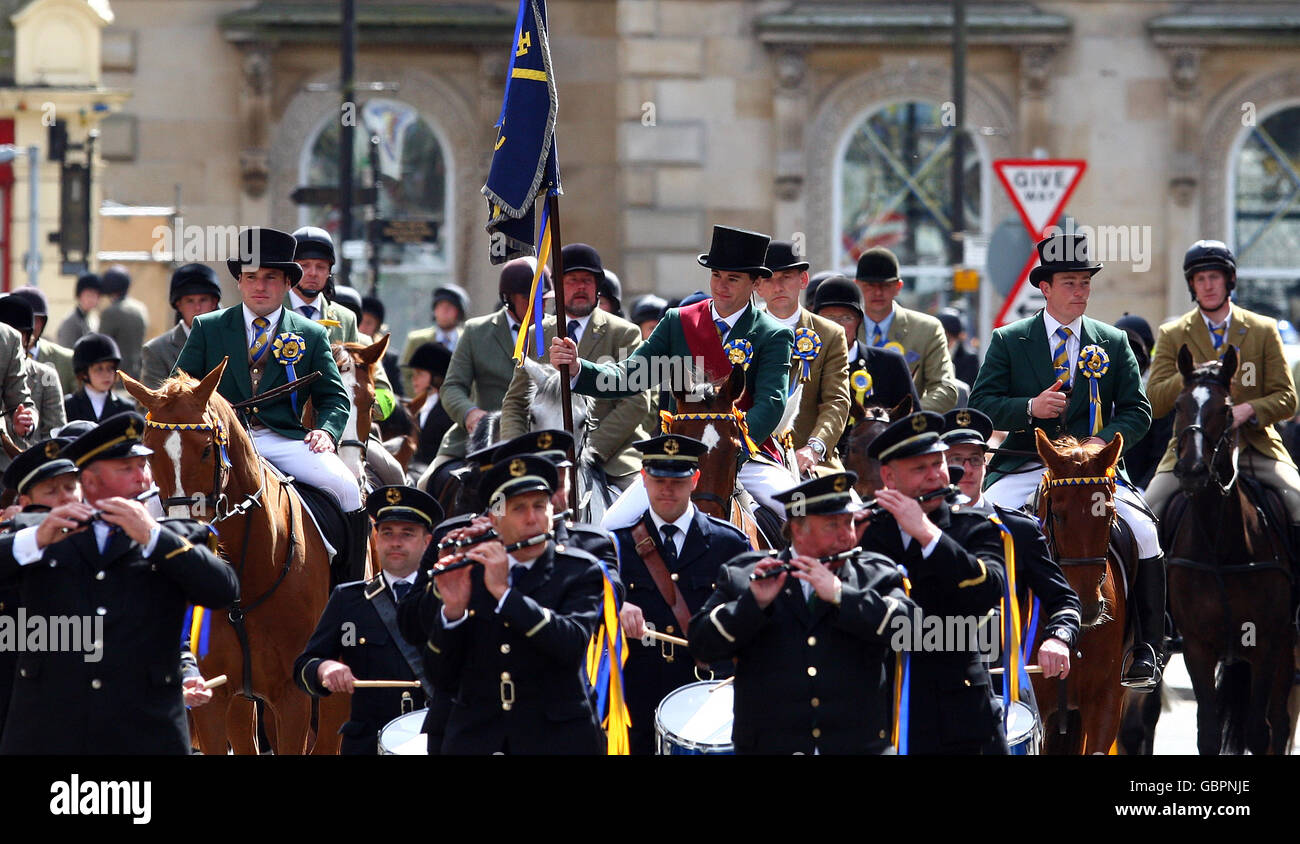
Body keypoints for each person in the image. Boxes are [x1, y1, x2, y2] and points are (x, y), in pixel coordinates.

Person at [968, 232, 1162, 689]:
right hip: (1026, 464)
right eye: (1070, 283)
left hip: (1094, 472)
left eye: (1085, 282)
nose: (1079, 291)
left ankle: (1148, 647)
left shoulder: (1112, 342)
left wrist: (1101, 443)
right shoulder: (1010, 339)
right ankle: (982, 635)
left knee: (1146, 531)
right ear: (1046, 288)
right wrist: (1030, 409)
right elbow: (982, 404)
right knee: (985, 522)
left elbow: (1138, 410)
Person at [0, 412, 239, 753]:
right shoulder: (39, 533)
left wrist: (154, 538)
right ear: (91, 480)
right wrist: (36, 539)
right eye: (127, 468)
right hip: (53, 735)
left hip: (146, 735)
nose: (143, 478)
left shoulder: (175, 537)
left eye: (143, 466)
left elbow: (223, 590)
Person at [551, 225, 795, 525]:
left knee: (804, 511)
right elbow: (631, 375)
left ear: (756, 283)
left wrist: (730, 453)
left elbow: (771, 403)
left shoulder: (774, 334)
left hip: (742, 454)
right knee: (610, 526)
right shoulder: (678, 322)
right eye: (716, 275)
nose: (722, 286)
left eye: (733, 279)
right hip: (676, 454)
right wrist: (578, 369)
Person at [173, 226, 367, 581]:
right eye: (251, 277)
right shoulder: (208, 327)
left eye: (270, 277)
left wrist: (326, 431)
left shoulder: (312, 333)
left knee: (346, 488)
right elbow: (179, 391)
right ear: (239, 282)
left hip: (285, 439)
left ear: (287, 283)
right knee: (156, 501)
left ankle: (349, 591)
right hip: (221, 443)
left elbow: (335, 398)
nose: (259, 286)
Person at [690, 470, 916, 754]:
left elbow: (911, 630)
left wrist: (841, 595)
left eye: (849, 523)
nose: (847, 535)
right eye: (832, 525)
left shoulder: (875, 574)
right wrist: (752, 604)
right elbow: (701, 645)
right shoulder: (745, 575)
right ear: (798, 529)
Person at [422, 454, 607, 754]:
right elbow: (440, 676)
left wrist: (505, 594)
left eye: (539, 506)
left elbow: (571, 645)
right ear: (495, 518)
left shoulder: (578, 569)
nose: (532, 518)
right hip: (479, 738)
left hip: (556, 739)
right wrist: (451, 614)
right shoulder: (470, 572)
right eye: (519, 508)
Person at [859, 411, 1008, 753]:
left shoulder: (974, 526)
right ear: (888, 476)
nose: (934, 476)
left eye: (938, 463)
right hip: (882, 709)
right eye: (919, 468)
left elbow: (988, 590)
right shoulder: (868, 531)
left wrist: (928, 535)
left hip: (961, 713)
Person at [1146, 240, 1300, 554]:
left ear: (1229, 280)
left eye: (1214, 277)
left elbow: (1287, 398)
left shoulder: (1263, 329)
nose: (1207, 286)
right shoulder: (1173, 334)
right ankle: (1146, 603)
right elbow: (1155, 399)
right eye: (1200, 279)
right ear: (1192, 285)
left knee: (1297, 500)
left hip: (1255, 446)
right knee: (1148, 509)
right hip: (1191, 450)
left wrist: (1249, 410)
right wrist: (1192, 377)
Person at [612, 434, 751, 753]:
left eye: (678, 480)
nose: (667, 489)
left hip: (709, 703)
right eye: (658, 479)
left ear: (695, 479)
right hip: (639, 703)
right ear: (643, 479)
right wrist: (616, 605)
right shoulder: (616, 546)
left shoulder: (729, 544)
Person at [293, 486, 440, 754]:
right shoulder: (348, 599)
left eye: (407, 534)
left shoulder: (447, 597)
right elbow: (304, 667)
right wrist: (324, 669)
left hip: (435, 737)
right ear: (376, 537)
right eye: (387, 533)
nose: (395, 542)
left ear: (427, 541)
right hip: (368, 742)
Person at [939, 408, 1080, 684]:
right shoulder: (918, 525)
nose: (966, 470)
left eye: (975, 460)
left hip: (998, 683)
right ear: (939, 466)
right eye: (956, 460)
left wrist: (1059, 637)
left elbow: (1063, 600)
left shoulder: (1018, 529)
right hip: (929, 672)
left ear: (986, 465)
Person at [501, 243, 653, 493]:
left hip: (612, 459)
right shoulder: (535, 335)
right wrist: (517, 450)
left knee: (642, 510)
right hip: (544, 455)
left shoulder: (625, 333)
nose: (581, 287)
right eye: (572, 280)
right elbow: (515, 403)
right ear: (557, 287)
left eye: (588, 280)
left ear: (597, 288)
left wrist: (588, 451)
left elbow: (636, 402)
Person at [424, 260, 549, 482]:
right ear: (508, 298)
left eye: (543, 300)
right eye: (529, 299)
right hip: (483, 436)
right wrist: (470, 413)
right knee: (427, 483)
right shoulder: (475, 332)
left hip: (544, 435)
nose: (538, 306)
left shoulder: (560, 330)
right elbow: (452, 387)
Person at [0, 437, 83, 737]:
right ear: (24, 503)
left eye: (71, 488)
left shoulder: (103, 545)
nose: (64, 499)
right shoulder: (15, 549)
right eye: (51, 491)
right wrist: (35, 536)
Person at [758, 240, 850, 475]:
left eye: (786, 277)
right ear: (757, 286)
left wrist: (815, 446)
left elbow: (836, 401)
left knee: (850, 509)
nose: (778, 287)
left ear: (803, 280)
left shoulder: (829, 334)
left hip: (811, 459)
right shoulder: (742, 332)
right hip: (752, 457)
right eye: (769, 279)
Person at [811, 276, 919, 451]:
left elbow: (915, 424)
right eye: (830, 318)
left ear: (859, 322)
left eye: (846, 318)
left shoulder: (890, 364)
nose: (838, 327)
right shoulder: (803, 364)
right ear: (816, 322)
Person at [854, 247, 958, 412]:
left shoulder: (927, 329)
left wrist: (906, 414)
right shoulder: (843, 329)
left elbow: (946, 389)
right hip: (852, 430)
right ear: (857, 285)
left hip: (906, 431)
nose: (878, 292)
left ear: (898, 286)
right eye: (869, 285)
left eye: (885, 285)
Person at [141, 263, 223, 391]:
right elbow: (151, 403)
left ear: (214, 303)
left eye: (203, 300)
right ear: (179, 305)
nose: (197, 308)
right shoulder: (156, 351)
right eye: (190, 301)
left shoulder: (234, 341)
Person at [0, 296, 63, 445]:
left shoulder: (7, 338)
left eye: (23, 334)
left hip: (14, 458)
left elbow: (21, 404)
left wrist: (26, 421)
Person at [289, 226, 360, 345]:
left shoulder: (346, 319)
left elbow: (352, 363)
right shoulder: (271, 312)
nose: (313, 273)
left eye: (320, 267)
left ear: (329, 272)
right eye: (304, 265)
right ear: (291, 269)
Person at [401, 283, 469, 395]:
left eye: (449, 307)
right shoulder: (417, 340)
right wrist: (420, 400)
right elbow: (406, 374)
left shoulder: (467, 339)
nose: (444, 311)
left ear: (460, 312)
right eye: (440, 306)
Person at [11, 287, 76, 396]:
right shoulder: (3, 358)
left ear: (43, 322)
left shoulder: (67, 361)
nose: (28, 326)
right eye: (21, 319)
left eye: (35, 319)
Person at [405, 342, 454, 473]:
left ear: (436, 377)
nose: (414, 379)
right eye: (413, 373)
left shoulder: (448, 410)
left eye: (419, 373)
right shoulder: (416, 406)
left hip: (438, 472)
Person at [64, 333, 132, 424]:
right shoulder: (69, 406)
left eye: (110, 368)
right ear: (84, 373)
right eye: (99, 369)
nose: (106, 374)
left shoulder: (126, 408)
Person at [97, 265, 149, 381]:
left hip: (115, 376)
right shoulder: (140, 308)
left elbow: (101, 346)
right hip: (137, 375)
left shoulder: (110, 313)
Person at [56, 272, 100, 349]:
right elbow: (65, 351)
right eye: (88, 295)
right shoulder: (70, 322)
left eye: (95, 296)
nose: (91, 300)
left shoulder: (93, 319)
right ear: (79, 296)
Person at [938, 307, 979, 389]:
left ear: (959, 336)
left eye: (947, 338)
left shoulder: (970, 360)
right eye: (939, 338)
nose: (943, 344)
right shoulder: (927, 356)